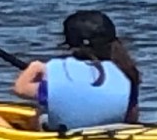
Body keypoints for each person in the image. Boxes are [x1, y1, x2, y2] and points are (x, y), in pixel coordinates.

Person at [11, 9, 142, 131]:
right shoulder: (126, 71)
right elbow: (132, 117)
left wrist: (35, 67)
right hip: (110, 135)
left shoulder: (56, 70)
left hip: (65, 136)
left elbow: (20, 88)